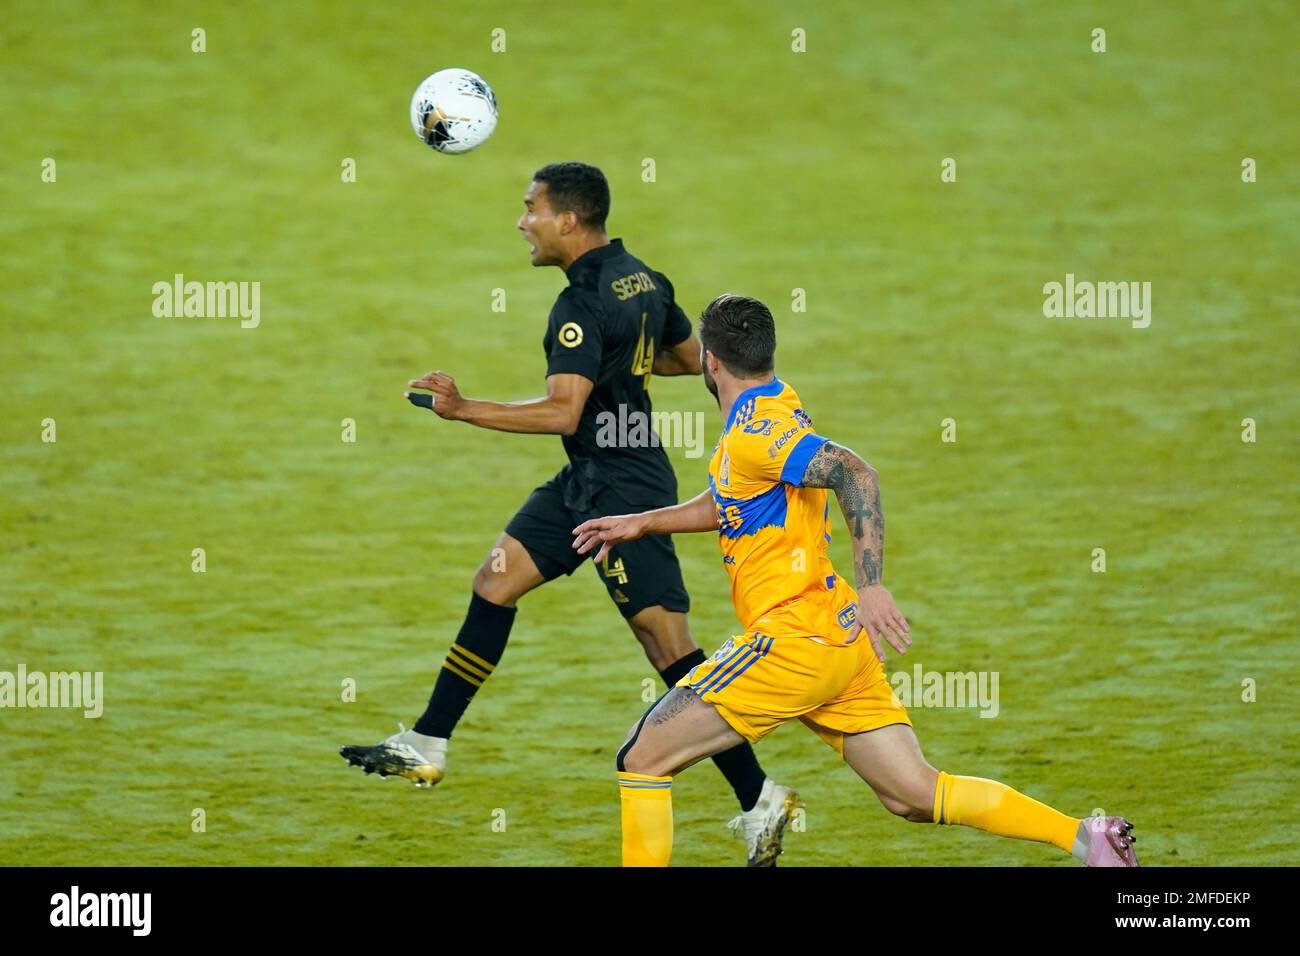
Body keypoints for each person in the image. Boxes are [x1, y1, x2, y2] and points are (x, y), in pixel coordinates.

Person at [571, 293, 1140, 867]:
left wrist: (872, 585)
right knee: (914, 794)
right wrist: (646, 522)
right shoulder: (775, 405)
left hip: (793, 642)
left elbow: (854, 473)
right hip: (840, 638)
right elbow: (733, 499)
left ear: (710, 361)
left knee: (642, 760)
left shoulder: (754, 432)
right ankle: (1087, 839)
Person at [341, 165, 798, 865]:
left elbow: (563, 410)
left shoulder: (579, 304)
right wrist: (625, 365)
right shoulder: (643, 277)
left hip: (625, 490)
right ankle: (429, 742)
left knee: (670, 650)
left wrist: (463, 409)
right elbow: (682, 359)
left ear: (570, 221)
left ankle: (761, 798)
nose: (522, 222)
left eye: (531, 210)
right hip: (588, 476)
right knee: (495, 582)